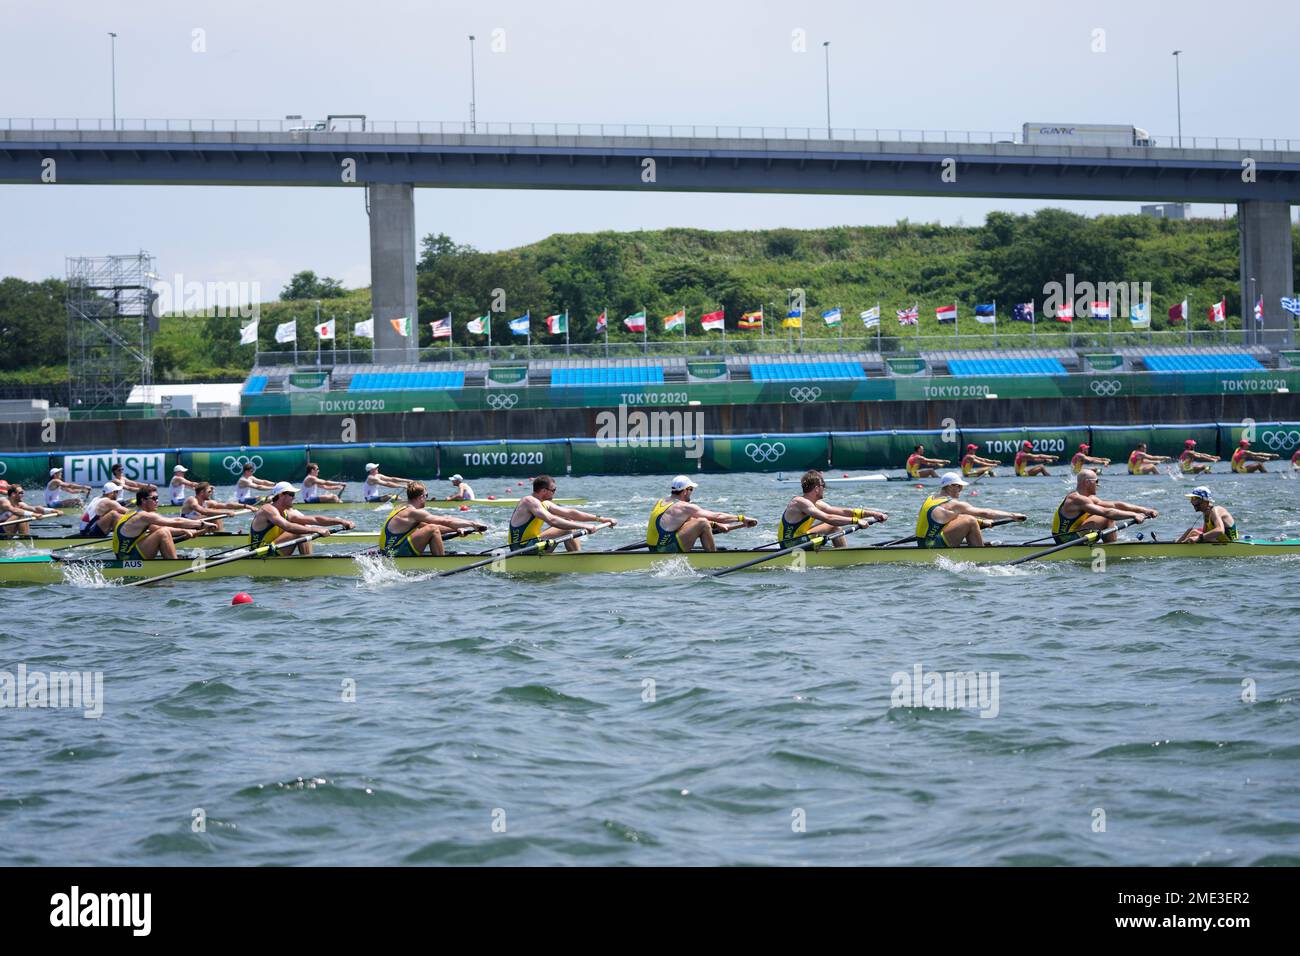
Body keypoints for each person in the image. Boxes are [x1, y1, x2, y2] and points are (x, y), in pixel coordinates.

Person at [646, 475, 757, 553]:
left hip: (654, 548)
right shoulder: (684, 506)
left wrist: (715, 525)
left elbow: (688, 520)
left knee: (701, 522)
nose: (692, 492)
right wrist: (742, 518)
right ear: (685, 490)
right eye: (691, 489)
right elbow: (718, 516)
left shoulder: (661, 502)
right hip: (664, 550)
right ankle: (713, 559)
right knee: (703, 523)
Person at [776, 470, 885, 549]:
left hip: (801, 538)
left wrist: (874, 514)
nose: (825, 489)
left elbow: (844, 512)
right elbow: (828, 518)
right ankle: (841, 556)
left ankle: (841, 553)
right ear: (817, 488)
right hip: (790, 544)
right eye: (824, 486)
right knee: (832, 524)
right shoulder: (800, 502)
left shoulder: (816, 503)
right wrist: (856, 521)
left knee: (834, 528)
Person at [914, 472, 1026, 548]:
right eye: (959, 486)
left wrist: (982, 523)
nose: (961, 489)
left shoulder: (930, 498)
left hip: (923, 543)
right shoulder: (952, 504)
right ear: (950, 486)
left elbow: (953, 518)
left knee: (967, 518)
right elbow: (986, 513)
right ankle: (978, 554)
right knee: (970, 521)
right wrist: (1012, 515)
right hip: (932, 546)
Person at [508, 475, 616, 553]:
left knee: (569, 521)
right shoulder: (529, 501)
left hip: (532, 543)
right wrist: (584, 526)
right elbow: (552, 521)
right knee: (567, 528)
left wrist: (601, 519)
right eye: (553, 490)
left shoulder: (544, 503)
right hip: (521, 549)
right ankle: (578, 559)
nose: (555, 492)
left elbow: (571, 513)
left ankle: (576, 555)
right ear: (544, 491)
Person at [378, 482, 488, 557]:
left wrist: (456, 529)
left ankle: (438, 557)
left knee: (431, 528)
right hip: (393, 553)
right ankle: (440, 563)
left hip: (388, 551)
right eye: (426, 495)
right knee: (433, 528)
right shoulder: (413, 512)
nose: (426, 498)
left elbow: (425, 526)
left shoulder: (401, 507)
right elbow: (445, 520)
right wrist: (472, 524)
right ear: (421, 496)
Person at [247, 481, 355, 556]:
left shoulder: (286, 513)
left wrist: (342, 521)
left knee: (305, 526)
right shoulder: (267, 509)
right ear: (281, 495)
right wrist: (316, 530)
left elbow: (315, 519)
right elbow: (287, 526)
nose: (294, 497)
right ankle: (308, 563)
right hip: (260, 553)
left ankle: (307, 561)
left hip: (272, 550)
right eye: (291, 494)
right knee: (301, 530)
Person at [1050, 470, 1157, 544]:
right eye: (1096, 481)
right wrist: (1134, 515)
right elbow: (1107, 513)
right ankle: (1112, 548)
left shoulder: (1089, 498)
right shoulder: (1076, 499)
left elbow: (1116, 505)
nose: (1098, 484)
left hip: (1072, 535)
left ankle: (1110, 544)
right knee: (1107, 518)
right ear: (1087, 483)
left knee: (1109, 514)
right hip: (1065, 539)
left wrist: (1145, 510)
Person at [110, 488, 210, 559]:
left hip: (126, 554)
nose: (157, 501)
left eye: (157, 498)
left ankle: (171, 558)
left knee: (162, 531)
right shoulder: (144, 516)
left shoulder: (134, 512)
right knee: (163, 532)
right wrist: (201, 524)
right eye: (154, 498)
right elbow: (175, 522)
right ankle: (174, 564)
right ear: (143, 500)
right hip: (128, 558)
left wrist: (185, 531)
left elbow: (157, 528)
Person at [179, 482, 248, 532]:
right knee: (215, 517)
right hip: (185, 526)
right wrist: (226, 512)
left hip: (196, 525)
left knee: (214, 514)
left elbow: (227, 505)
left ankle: (218, 533)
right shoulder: (192, 500)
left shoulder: (207, 502)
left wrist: (245, 506)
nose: (211, 493)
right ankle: (220, 535)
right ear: (202, 492)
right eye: (209, 491)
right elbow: (203, 511)